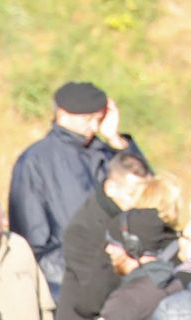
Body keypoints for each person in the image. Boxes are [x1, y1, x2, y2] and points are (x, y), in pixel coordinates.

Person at [8, 81, 141, 286]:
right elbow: (31, 238)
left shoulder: (106, 154)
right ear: (62, 115)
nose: (95, 127)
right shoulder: (36, 161)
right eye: (88, 120)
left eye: (99, 119)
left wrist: (117, 140)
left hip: (118, 271)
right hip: (68, 280)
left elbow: (148, 194)